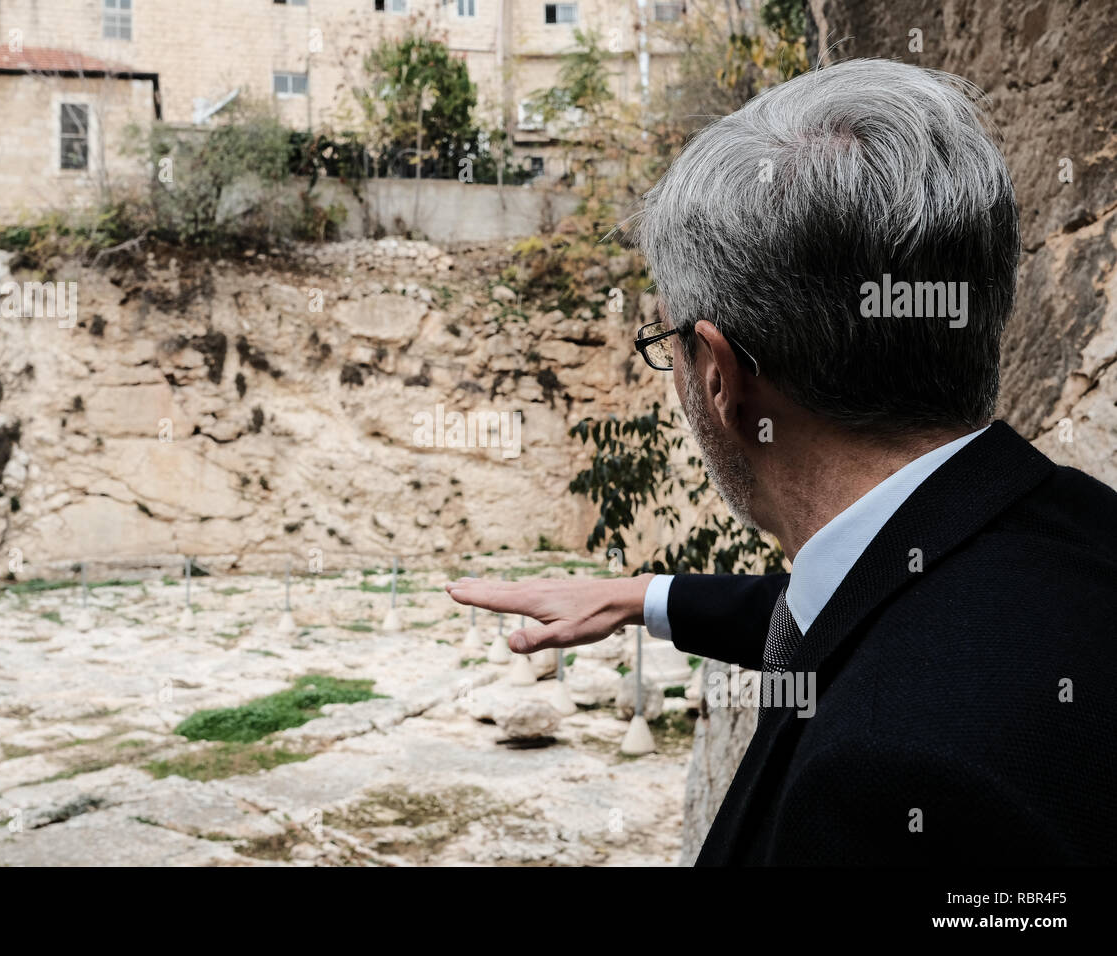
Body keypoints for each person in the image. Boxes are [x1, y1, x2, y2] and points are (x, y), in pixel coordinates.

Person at [446, 59, 1117, 865]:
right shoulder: (1072, 525)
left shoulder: (884, 783)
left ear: (719, 376)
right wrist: (644, 597)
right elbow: (873, 605)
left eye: (670, 348)